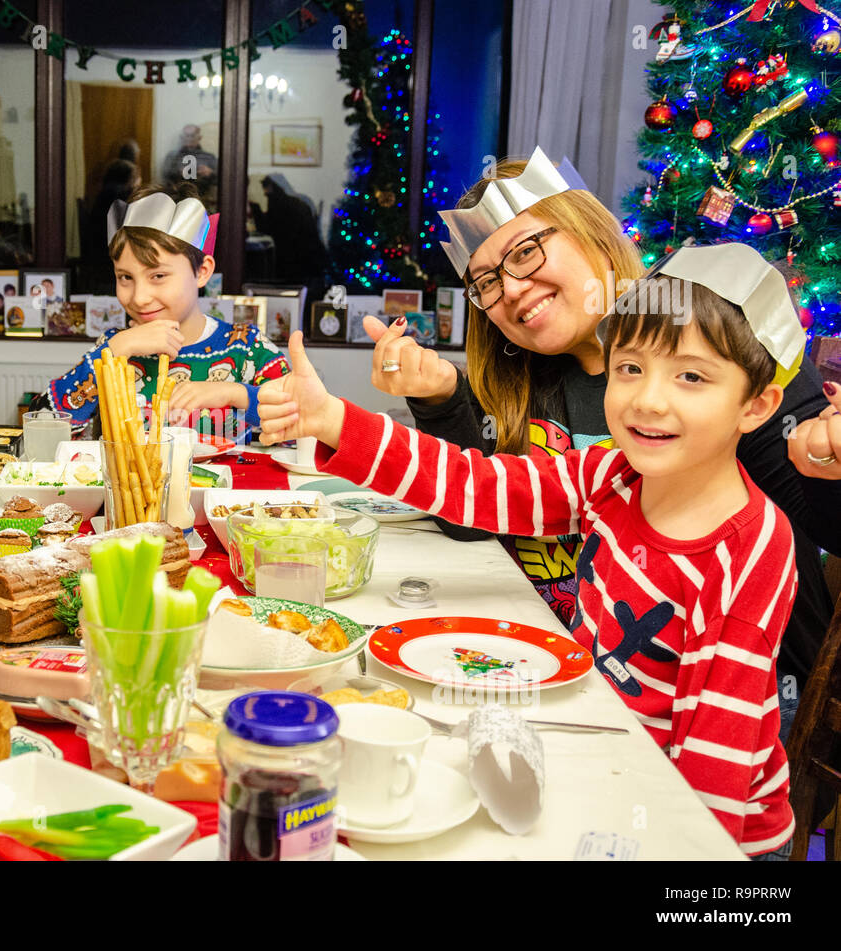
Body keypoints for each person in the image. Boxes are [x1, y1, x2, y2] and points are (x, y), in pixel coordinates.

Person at [259, 242, 805, 858]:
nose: (649, 399)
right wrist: (333, 418)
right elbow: (477, 485)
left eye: (691, 376)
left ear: (756, 406)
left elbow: (716, 758)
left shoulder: (749, 547)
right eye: (630, 368)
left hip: (706, 827)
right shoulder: (612, 473)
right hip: (612, 758)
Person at [364, 148, 841, 740]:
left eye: (526, 251)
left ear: (590, 231)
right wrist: (440, 400)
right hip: (559, 663)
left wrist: (828, 466)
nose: (510, 290)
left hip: (719, 705)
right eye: (486, 282)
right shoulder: (527, 381)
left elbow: (824, 528)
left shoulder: (715, 350)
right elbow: (476, 516)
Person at [45, 184, 289, 438]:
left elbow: (300, 426)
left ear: (202, 271)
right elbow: (45, 427)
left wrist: (236, 393)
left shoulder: (246, 347)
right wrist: (112, 351)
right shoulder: (114, 348)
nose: (140, 298)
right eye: (125, 277)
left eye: (158, 275)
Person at [248, 173, 328, 296]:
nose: (264, 193)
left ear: (271, 186)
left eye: (265, 187)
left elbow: (268, 228)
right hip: (310, 264)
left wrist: (255, 208)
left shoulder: (277, 201)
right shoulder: (296, 200)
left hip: (293, 264)